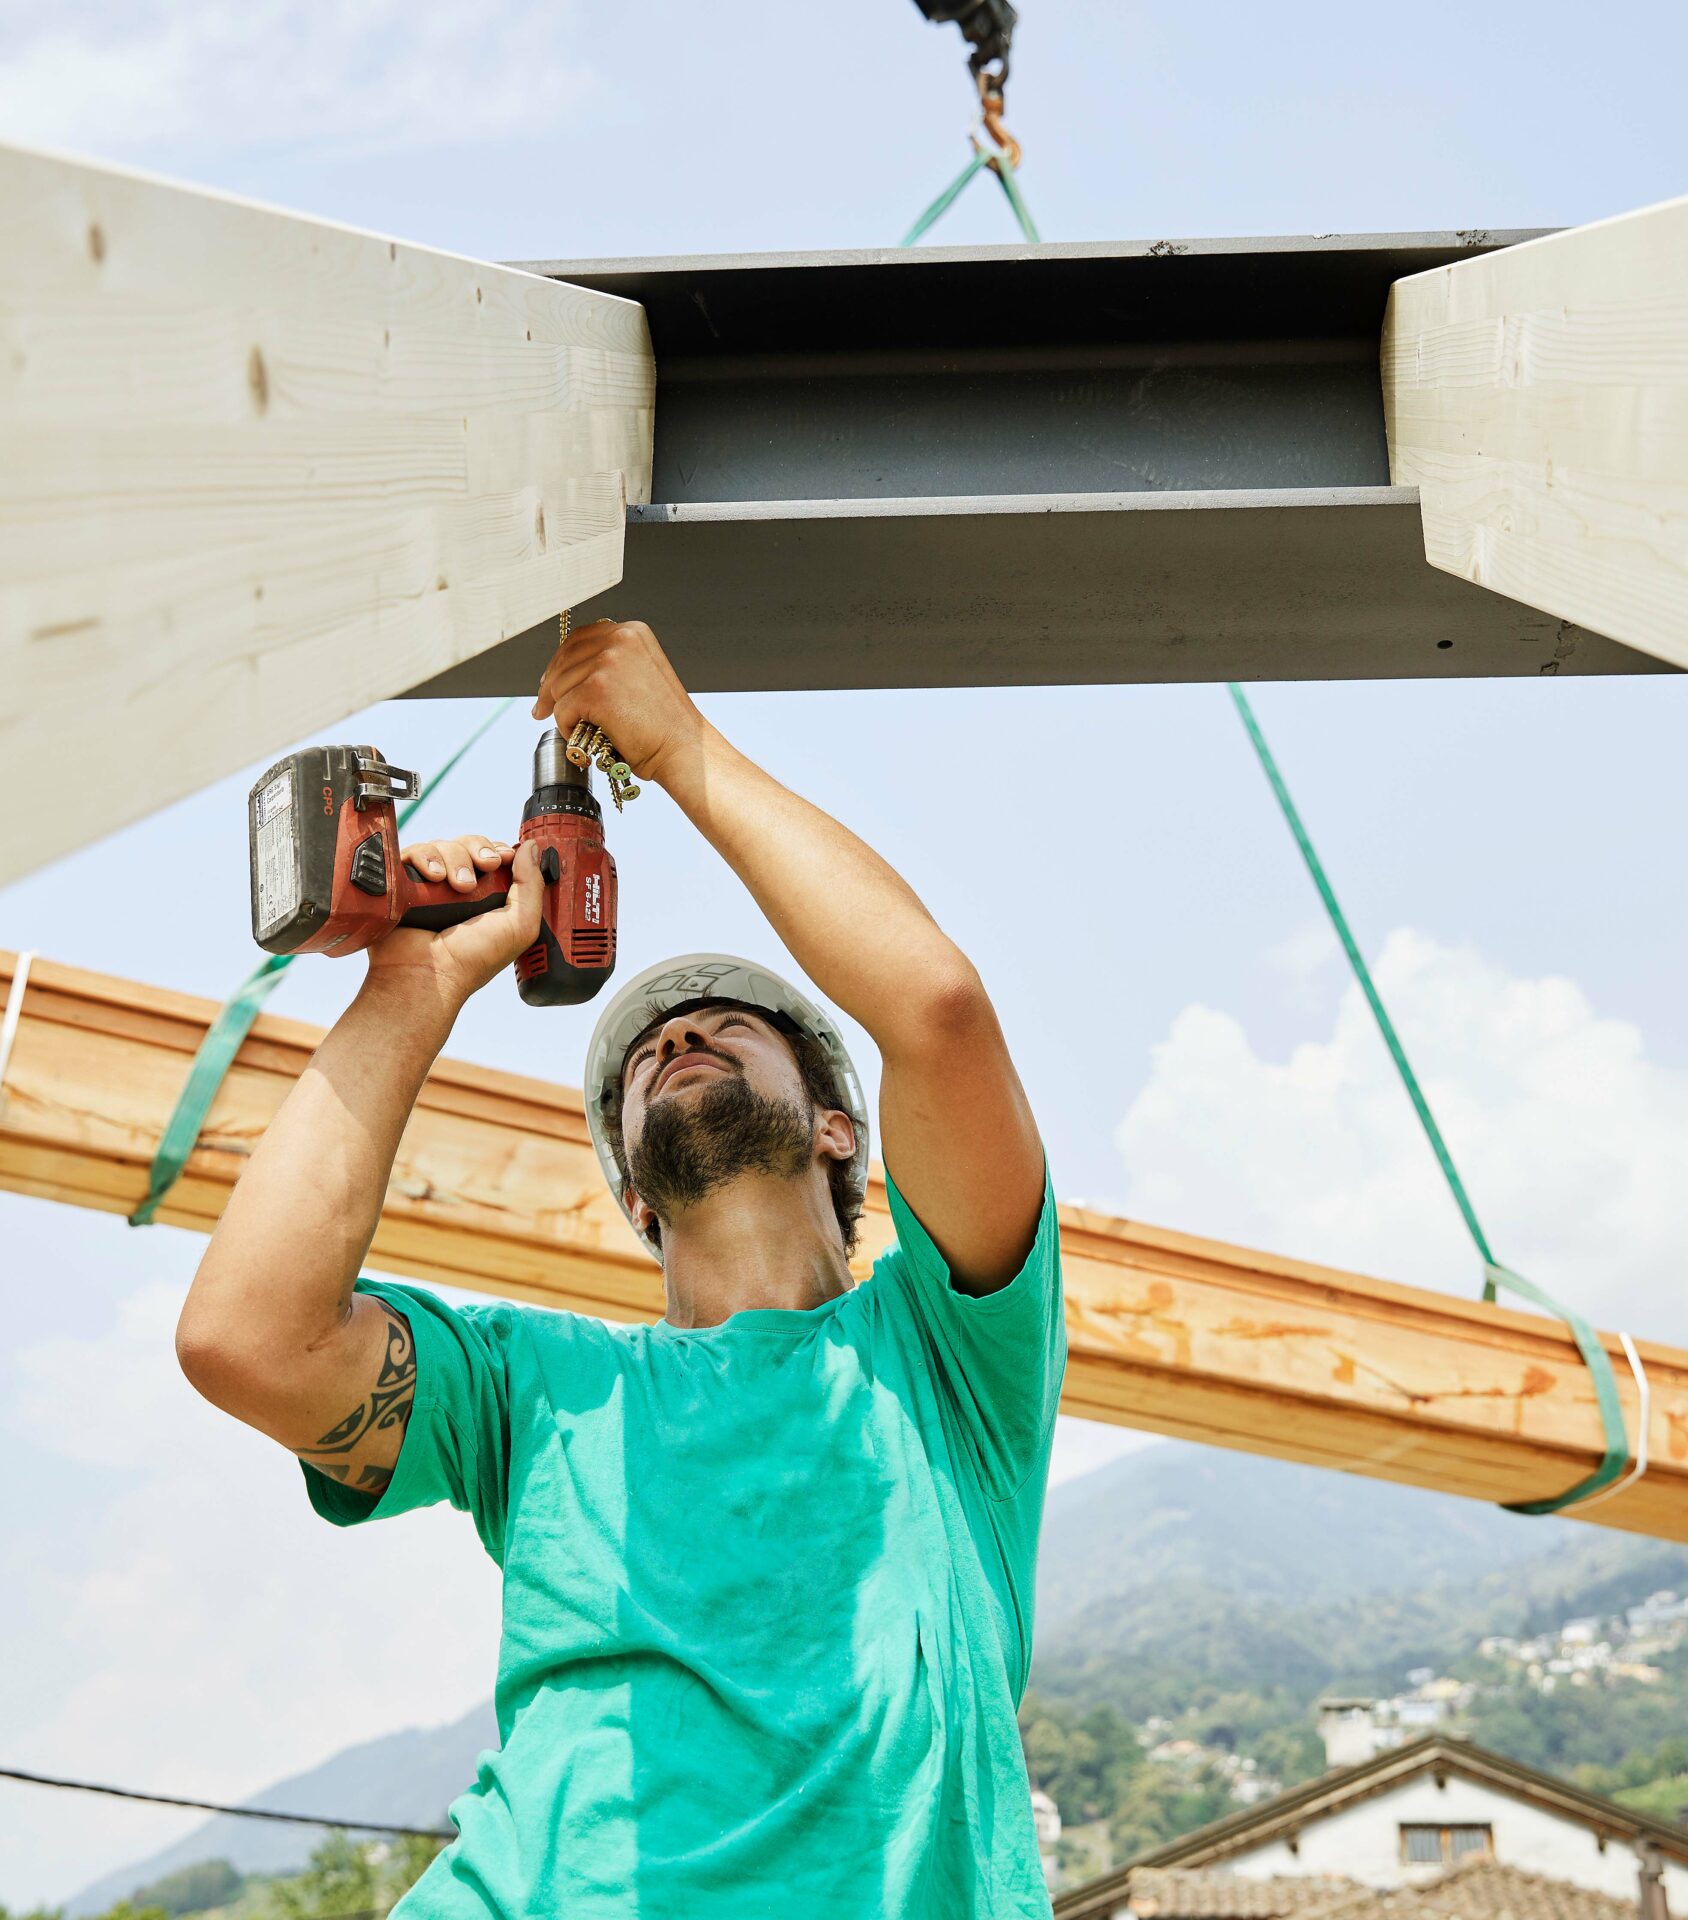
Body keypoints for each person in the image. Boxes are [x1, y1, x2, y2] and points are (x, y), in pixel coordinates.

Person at [175, 618, 1058, 1918]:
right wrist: (410, 990)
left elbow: (935, 1009)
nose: (678, 1035)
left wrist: (682, 748)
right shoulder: (536, 1388)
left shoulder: (948, 1359)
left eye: (731, 1025)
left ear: (839, 1128)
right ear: (636, 1195)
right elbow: (250, 1342)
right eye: (647, 1054)